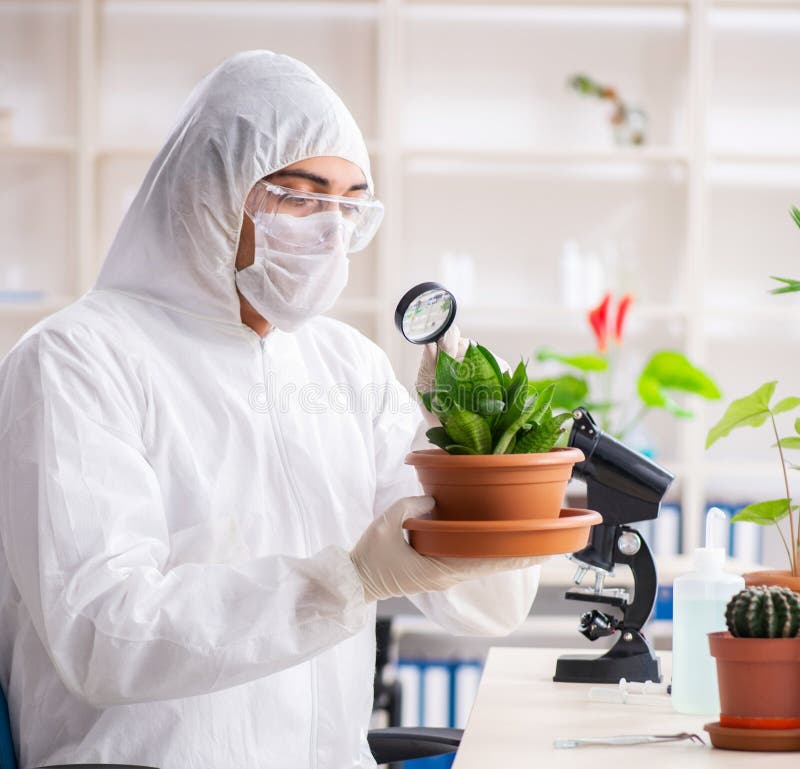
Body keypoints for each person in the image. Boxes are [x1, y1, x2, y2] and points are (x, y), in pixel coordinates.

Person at [0, 51, 543, 768]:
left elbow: (488, 609)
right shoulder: (77, 359)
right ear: (209, 193)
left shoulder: (346, 366)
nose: (331, 231)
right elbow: (105, 633)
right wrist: (349, 582)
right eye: (300, 197)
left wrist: (474, 456)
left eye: (351, 205)